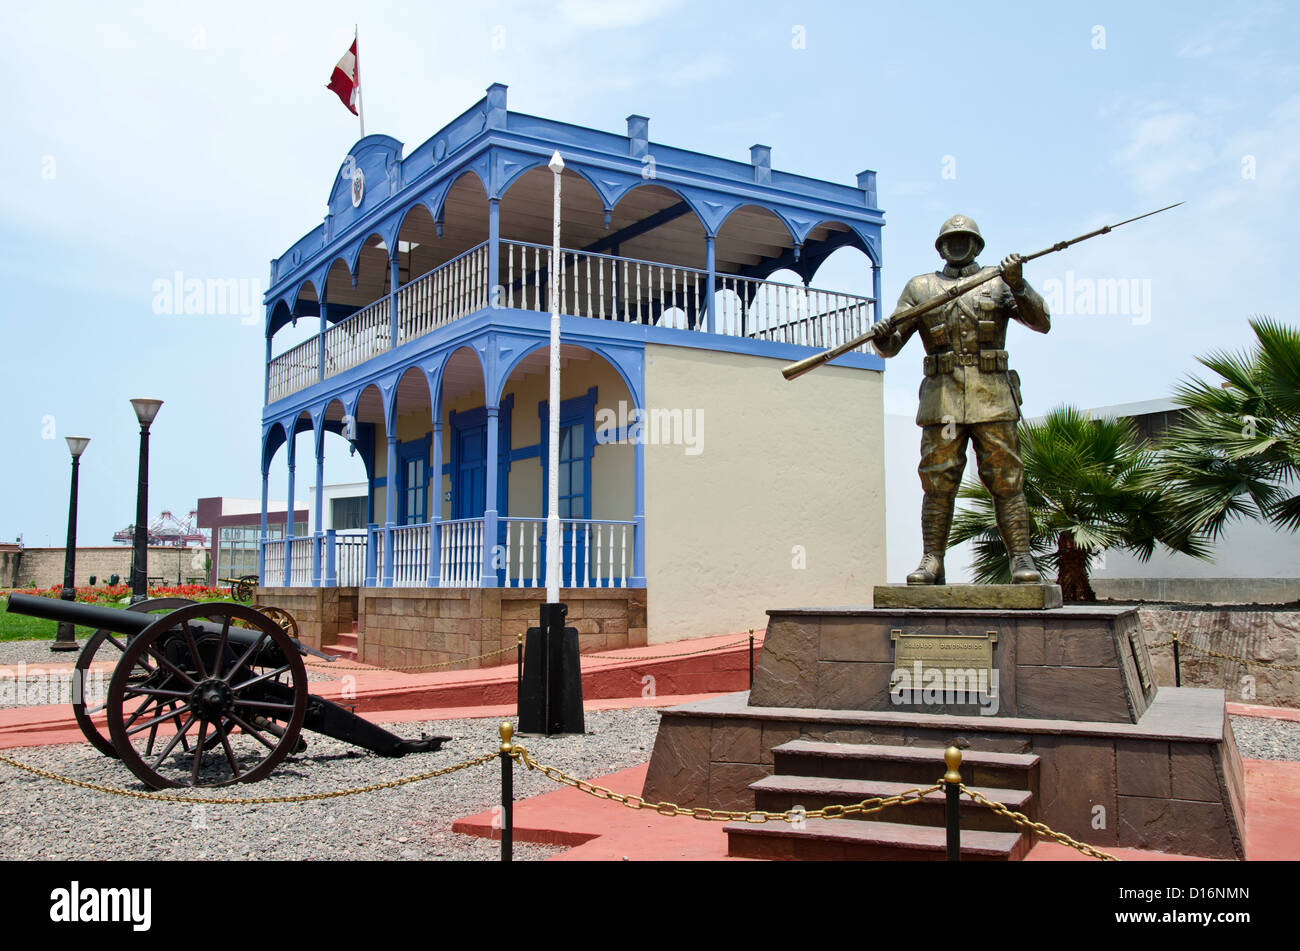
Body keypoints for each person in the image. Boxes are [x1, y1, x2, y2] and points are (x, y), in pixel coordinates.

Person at [872, 214, 1050, 584]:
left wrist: (1019, 285)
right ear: (940, 246)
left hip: (993, 396)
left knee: (1006, 479)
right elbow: (891, 346)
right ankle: (931, 561)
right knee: (937, 481)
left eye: (964, 238)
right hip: (943, 400)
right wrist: (881, 335)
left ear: (976, 245)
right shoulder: (919, 287)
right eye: (950, 239)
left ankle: (1021, 558)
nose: (957, 245)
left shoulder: (1000, 281)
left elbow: (1041, 321)